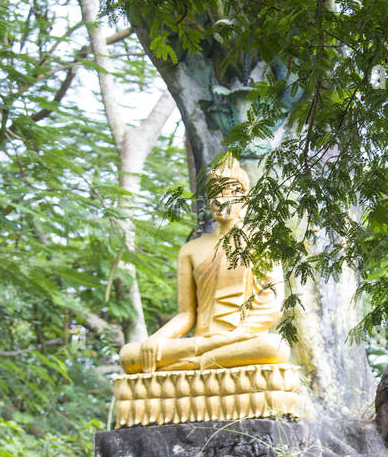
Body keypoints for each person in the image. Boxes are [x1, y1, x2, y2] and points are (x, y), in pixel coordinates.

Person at [117, 155, 289, 375]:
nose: (221, 199)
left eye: (231, 192)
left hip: (242, 339)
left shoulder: (261, 241)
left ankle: (192, 365)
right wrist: (158, 338)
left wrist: (234, 337)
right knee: (130, 355)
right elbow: (186, 315)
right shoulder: (190, 250)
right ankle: (204, 360)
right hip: (202, 341)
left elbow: (272, 306)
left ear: (245, 199)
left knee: (274, 347)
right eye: (215, 193)